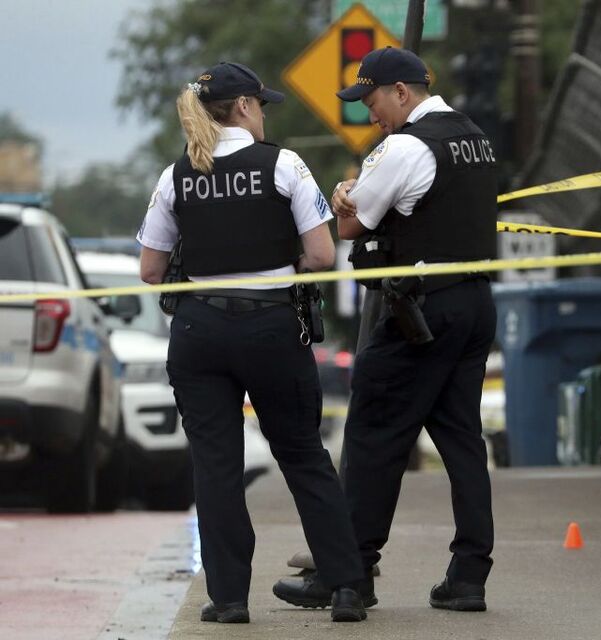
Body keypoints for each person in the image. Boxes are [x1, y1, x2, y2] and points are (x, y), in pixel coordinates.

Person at [137, 61, 367, 624]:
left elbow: (149, 269)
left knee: (216, 466)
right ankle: (345, 587)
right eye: (261, 104)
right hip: (271, 328)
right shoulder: (283, 163)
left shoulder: (176, 175)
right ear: (243, 107)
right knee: (303, 455)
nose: (264, 115)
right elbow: (322, 255)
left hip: (198, 333)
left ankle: (229, 598)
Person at [272, 47, 498, 612]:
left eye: (372, 101)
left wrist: (344, 194)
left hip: (420, 311)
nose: (370, 116)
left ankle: (350, 573)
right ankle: (469, 575)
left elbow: (350, 226)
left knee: (373, 433)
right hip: (474, 303)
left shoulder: (405, 146)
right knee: (463, 441)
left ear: (401, 92)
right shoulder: (474, 136)